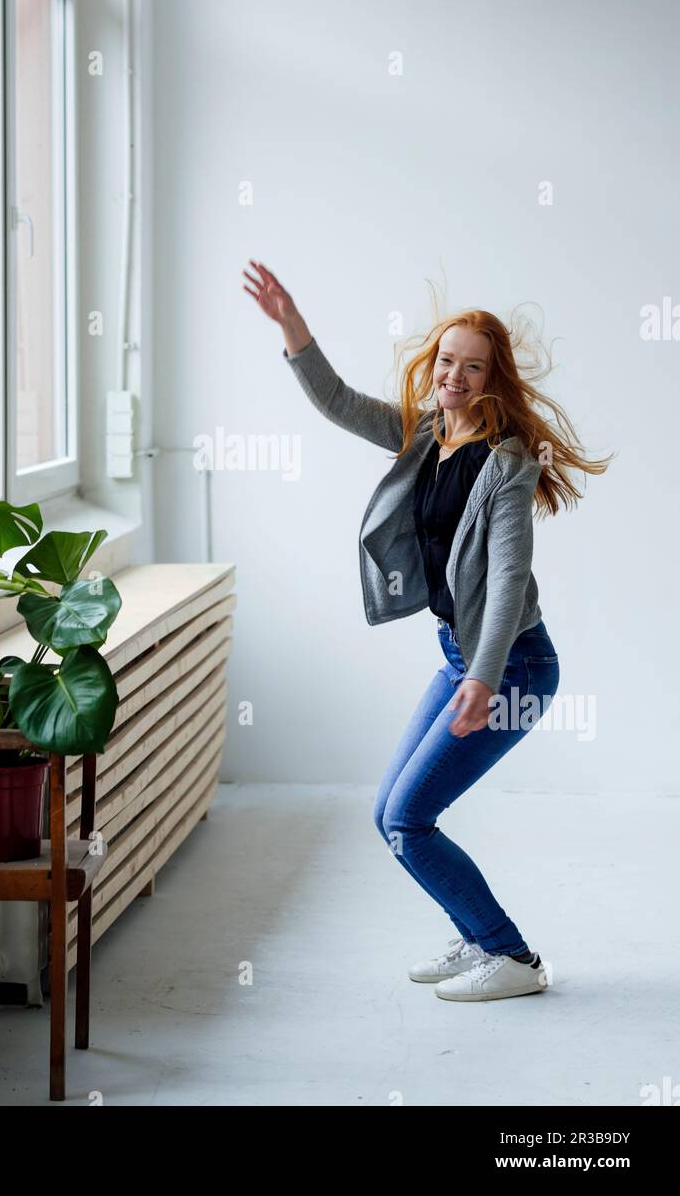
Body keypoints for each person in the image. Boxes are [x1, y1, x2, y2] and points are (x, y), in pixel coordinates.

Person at [243, 259, 613, 1003]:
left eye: (473, 367)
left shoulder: (506, 462)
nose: (455, 376)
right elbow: (340, 402)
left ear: (494, 379)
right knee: (389, 814)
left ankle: (511, 957)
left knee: (411, 819)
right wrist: (292, 325)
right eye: (447, 360)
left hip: (512, 666)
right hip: (461, 657)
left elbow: (508, 577)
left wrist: (482, 677)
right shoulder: (424, 432)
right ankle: (477, 938)